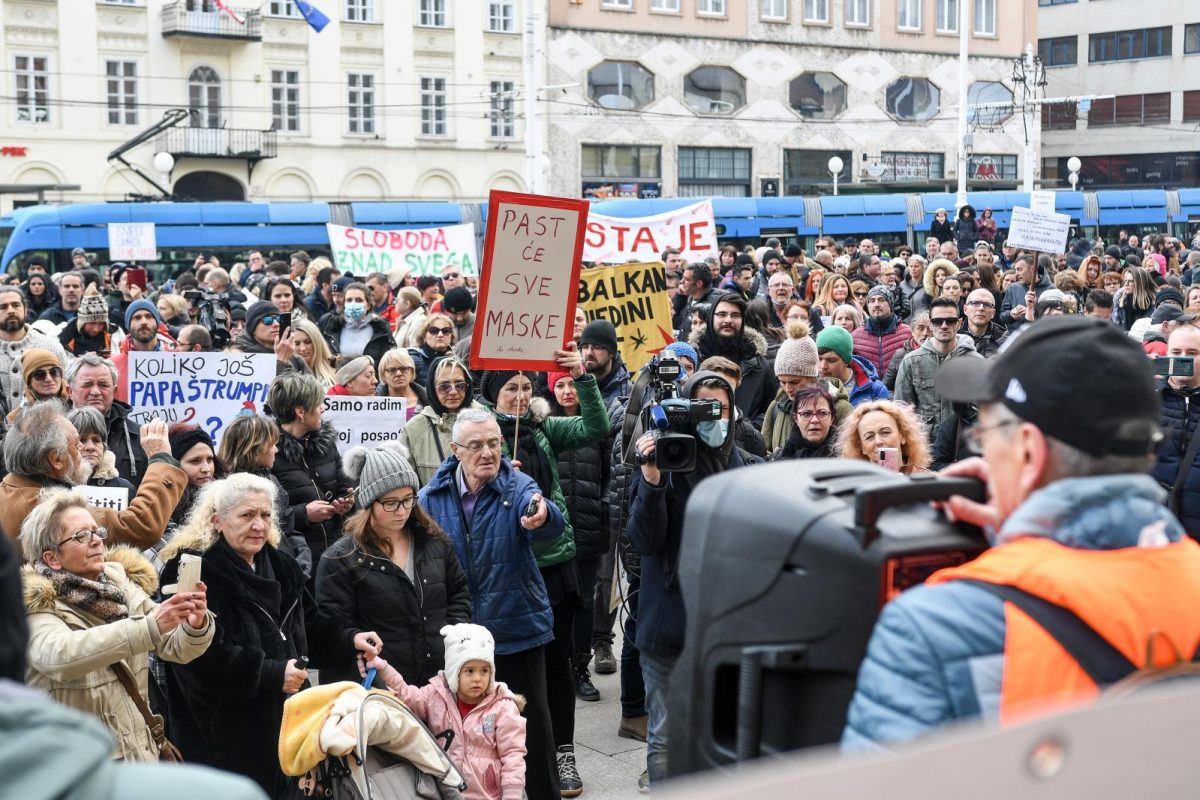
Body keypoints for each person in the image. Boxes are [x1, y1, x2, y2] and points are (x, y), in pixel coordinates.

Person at [842, 315, 1200, 750]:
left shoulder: (933, 627)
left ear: (1028, 451)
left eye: (988, 434)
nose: (984, 450)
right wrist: (1022, 524)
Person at [477, 345, 609, 797]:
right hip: (509, 570)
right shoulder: (483, 441)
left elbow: (596, 425)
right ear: (493, 395)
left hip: (554, 567)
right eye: (509, 388)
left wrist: (583, 378)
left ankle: (563, 752)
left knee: (557, 670)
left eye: (525, 388)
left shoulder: (545, 427)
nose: (518, 395)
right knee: (511, 676)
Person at [419, 409, 566, 800]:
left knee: (528, 729)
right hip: (463, 638)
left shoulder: (516, 485)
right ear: (455, 450)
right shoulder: (431, 496)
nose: (488, 452)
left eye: (494, 443)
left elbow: (549, 518)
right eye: (477, 445)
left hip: (516, 626)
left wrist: (542, 513)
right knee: (470, 739)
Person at [20, 488, 214, 761]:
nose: (96, 541)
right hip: (80, 766)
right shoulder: (35, 602)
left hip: (139, 754)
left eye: (96, 532)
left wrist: (194, 623)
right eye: (81, 536)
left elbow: (175, 647)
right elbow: (58, 655)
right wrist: (149, 627)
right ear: (52, 558)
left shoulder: (118, 584)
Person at [627, 369, 751, 786]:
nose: (712, 419)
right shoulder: (665, 458)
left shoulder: (746, 467)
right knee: (665, 736)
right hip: (670, 626)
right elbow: (644, 541)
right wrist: (652, 482)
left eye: (721, 409)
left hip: (727, 630)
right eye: (703, 410)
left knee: (725, 735)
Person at [159, 474, 313, 797]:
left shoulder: (283, 566)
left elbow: (311, 622)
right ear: (217, 520)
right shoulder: (189, 571)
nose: (259, 525)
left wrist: (348, 637)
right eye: (247, 516)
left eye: (265, 515)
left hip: (286, 732)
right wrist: (271, 674)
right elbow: (194, 659)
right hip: (219, 740)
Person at [316, 443, 470, 687]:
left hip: (438, 683)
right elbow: (332, 624)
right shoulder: (341, 558)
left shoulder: (435, 543)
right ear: (368, 503)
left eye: (408, 499)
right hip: (379, 688)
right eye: (391, 503)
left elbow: (459, 597)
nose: (402, 511)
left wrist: (452, 642)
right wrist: (353, 638)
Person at [363, 624, 527, 800]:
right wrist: (384, 669)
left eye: (484, 671)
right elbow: (407, 696)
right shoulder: (437, 696)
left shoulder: (502, 707)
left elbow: (513, 756)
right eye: (469, 671)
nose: (477, 678)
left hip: (490, 795)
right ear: (454, 672)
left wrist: (512, 794)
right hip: (447, 791)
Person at [1, 402, 184, 548]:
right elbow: (140, 526)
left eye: (96, 440)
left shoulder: (8, 491)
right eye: (76, 443)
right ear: (56, 459)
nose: (84, 448)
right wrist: (161, 458)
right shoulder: (51, 509)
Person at [269, 372, 354, 568]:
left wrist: (346, 502)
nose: (322, 409)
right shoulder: (269, 453)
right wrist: (303, 514)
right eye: (318, 404)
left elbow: (343, 483)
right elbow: (264, 514)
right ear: (301, 411)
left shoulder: (325, 443)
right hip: (299, 561)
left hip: (338, 553)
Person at [217, 412, 312, 577]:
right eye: (272, 444)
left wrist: (299, 566)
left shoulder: (273, 481)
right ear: (255, 449)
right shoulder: (224, 491)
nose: (276, 449)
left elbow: (289, 530)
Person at [688, 292, 779, 429]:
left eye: (735, 315)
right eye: (722, 314)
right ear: (711, 317)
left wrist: (748, 429)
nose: (728, 320)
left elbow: (771, 407)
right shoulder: (693, 360)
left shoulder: (759, 364)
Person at [895, 298, 984, 435]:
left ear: (959, 323)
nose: (944, 325)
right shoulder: (912, 361)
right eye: (937, 321)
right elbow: (902, 411)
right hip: (925, 445)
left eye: (950, 321)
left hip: (964, 443)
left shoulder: (976, 362)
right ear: (931, 325)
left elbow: (986, 410)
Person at [67, 354, 152, 487]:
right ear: (70, 391)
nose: (95, 392)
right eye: (87, 384)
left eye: (103, 385)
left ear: (115, 391)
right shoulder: (54, 434)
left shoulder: (140, 436)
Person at [399, 355, 477, 486]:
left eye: (460, 385)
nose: (453, 391)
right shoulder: (414, 429)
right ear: (432, 388)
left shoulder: (486, 419)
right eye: (444, 386)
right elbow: (407, 484)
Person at [1153, 323, 1200, 537]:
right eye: (1176, 352)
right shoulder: (1147, 399)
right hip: (1156, 527)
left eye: (1192, 353)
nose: (1183, 359)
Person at [0, 285, 68, 414]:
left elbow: (68, 393)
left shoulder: (51, 347)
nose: (10, 310)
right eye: (2, 307)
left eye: (16, 305)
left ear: (25, 310)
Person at [834, 399, 931, 476]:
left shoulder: (925, 478)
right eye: (869, 437)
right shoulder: (856, 484)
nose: (878, 441)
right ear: (862, 447)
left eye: (885, 432)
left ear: (902, 436)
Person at [67, 406, 136, 496]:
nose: (90, 447)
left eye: (96, 440)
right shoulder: (53, 487)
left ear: (104, 445)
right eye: (82, 440)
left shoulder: (125, 489)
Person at [321, 281, 396, 365]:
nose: (353, 304)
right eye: (349, 300)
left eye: (358, 300)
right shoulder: (333, 327)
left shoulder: (381, 329)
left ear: (368, 305)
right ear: (345, 304)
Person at [817, 325, 890, 406]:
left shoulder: (875, 390)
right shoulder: (809, 387)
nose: (823, 366)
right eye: (819, 359)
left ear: (847, 361)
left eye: (831, 360)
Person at [852, 286, 912, 379]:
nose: (876, 304)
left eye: (881, 300)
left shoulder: (907, 333)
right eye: (872, 301)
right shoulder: (855, 336)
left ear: (890, 304)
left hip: (899, 390)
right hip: (869, 391)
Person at [768, 384, 839, 461]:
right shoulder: (781, 459)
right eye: (806, 414)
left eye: (822, 413)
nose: (814, 420)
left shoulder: (846, 456)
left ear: (832, 418)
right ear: (796, 419)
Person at [59, 283, 116, 357]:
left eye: (101, 323)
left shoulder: (115, 334)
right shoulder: (63, 335)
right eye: (91, 323)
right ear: (82, 322)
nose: (96, 329)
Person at [999, 256, 1053, 331]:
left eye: (1019, 269)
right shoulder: (1013, 288)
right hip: (1015, 338)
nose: (1016, 274)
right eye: (1016, 270)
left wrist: (1030, 312)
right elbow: (1002, 316)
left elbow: (1054, 321)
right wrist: (1010, 314)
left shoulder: (1050, 290)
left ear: (1032, 269)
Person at [10, 347, 67, 417]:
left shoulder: (78, 402)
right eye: (40, 374)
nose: (49, 379)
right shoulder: (15, 419)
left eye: (54, 372)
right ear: (29, 382)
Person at [883, 312, 931, 390]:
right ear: (912, 331)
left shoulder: (942, 354)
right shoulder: (900, 355)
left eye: (929, 329)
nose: (925, 333)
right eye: (920, 328)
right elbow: (887, 388)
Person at [376, 348, 425, 422]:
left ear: (411, 371)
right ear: (383, 375)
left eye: (404, 369)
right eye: (392, 370)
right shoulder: (374, 404)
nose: (398, 374)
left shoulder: (428, 399)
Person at [409, 313, 457, 380]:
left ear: (451, 336)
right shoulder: (413, 360)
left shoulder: (457, 360)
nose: (440, 335)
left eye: (446, 331)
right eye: (434, 331)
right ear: (424, 336)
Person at [291, 318, 337, 388]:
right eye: (296, 344)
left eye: (308, 342)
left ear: (317, 342)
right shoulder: (285, 376)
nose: (302, 348)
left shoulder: (337, 372)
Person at [961, 288, 1008, 357]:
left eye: (987, 304)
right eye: (975, 303)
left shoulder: (1004, 340)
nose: (981, 308)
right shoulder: (955, 337)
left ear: (993, 313)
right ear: (965, 309)